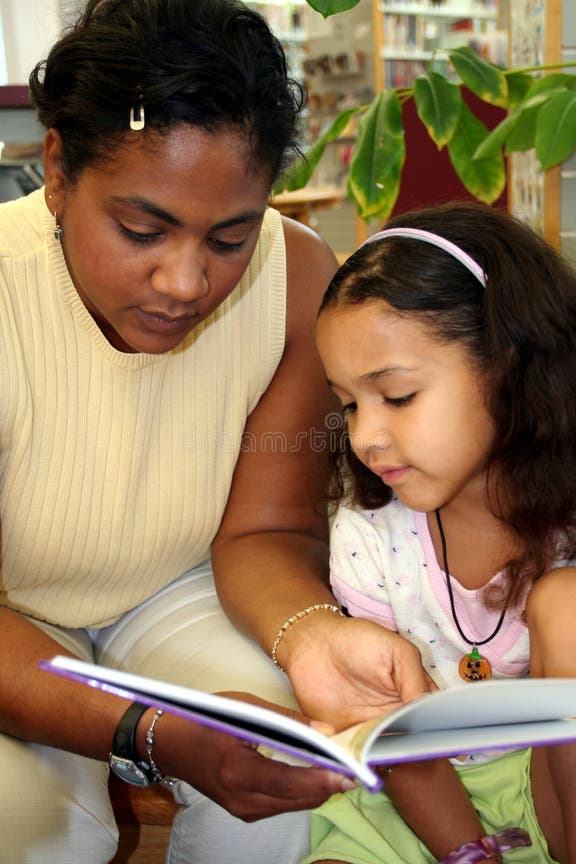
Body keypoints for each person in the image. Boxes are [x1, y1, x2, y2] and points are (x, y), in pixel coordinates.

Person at [0, 1, 431, 862]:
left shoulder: (300, 277)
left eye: (232, 235)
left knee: (286, 785)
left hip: (179, 586)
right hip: (12, 616)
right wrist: (151, 733)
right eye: (141, 229)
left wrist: (310, 632)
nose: (186, 281)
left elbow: (265, 529)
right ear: (55, 168)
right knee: (32, 824)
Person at [303, 201, 576, 864]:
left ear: (507, 365)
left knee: (566, 605)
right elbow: (395, 741)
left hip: (551, 790)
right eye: (348, 403)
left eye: (396, 396)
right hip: (415, 801)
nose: (365, 435)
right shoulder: (372, 539)